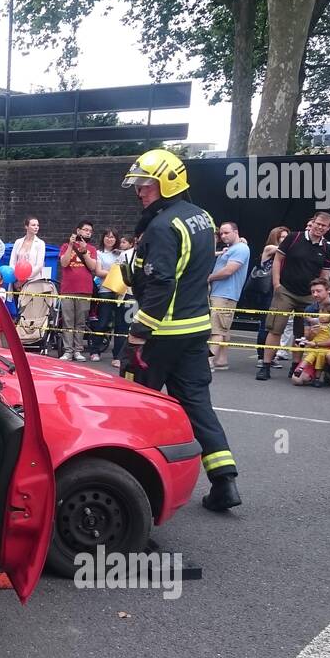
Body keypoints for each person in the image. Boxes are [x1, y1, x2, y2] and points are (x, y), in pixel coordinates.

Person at [117, 148, 240, 512]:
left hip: (161, 335)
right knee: (198, 406)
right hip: (195, 330)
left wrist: (138, 333)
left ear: (168, 184)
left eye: (146, 185)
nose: (140, 192)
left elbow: (161, 284)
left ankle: (131, 489)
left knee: (135, 407)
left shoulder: (162, 225)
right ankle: (224, 481)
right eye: (138, 185)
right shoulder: (201, 217)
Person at [257, 212, 330, 380]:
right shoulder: (294, 237)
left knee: (302, 333)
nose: (319, 227)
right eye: (318, 223)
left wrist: (319, 294)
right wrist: (276, 284)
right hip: (285, 291)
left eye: (324, 226)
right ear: (312, 222)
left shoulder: (327, 247)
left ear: (328, 228)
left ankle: (295, 366)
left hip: (309, 295)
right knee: (275, 329)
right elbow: (277, 260)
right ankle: (265, 366)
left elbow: (325, 274)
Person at [207, 221, 249, 370]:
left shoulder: (240, 249)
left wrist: (209, 277)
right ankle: (221, 360)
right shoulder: (233, 248)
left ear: (236, 232)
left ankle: (208, 362)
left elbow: (228, 271)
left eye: (226, 233)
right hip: (223, 294)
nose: (223, 236)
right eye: (221, 233)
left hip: (225, 294)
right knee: (223, 328)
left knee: (216, 329)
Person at [289, 279, 330, 387]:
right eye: (313, 292)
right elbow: (307, 336)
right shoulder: (310, 309)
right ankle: (320, 372)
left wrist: (317, 344)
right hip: (315, 348)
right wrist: (311, 333)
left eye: (318, 291)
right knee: (297, 380)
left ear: (329, 290)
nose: (315, 294)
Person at [245, 225, 289, 366]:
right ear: (275, 237)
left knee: (277, 327)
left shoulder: (285, 255)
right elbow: (284, 250)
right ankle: (261, 356)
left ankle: (271, 356)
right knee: (265, 324)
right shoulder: (270, 248)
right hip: (267, 291)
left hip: (280, 291)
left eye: (287, 237)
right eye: (282, 237)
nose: (285, 240)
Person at [58, 220, 98, 361]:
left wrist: (84, 251)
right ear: (78, 230)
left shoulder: (91, 249)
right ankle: (68, 350)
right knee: (68, 321)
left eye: (90, 231)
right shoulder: (65, 246)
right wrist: (70, 245)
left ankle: (78, 350)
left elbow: (93, 267)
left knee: (81, 322)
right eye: (85, 230)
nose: (88, 232)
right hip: (68, 289)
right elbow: (64, 263)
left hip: (85, 289)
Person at [87, 228, 121, 360]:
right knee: (103, 322)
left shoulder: (121, 253)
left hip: (120, 292)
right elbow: (99, 272)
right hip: (105, 290)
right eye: (107, 236)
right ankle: (95, 351)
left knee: (120, 324)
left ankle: (118, 355)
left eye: (112, 237)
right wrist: (117, 272)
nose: (110, 239)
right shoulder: (99, 253)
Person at [110, 235, 136, 367]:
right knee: (125, 326)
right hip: (129, 294)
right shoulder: (127, 254)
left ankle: (119, 356)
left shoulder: (125, 254)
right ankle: (121, 356)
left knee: (123, 326)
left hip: (126, 294)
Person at [9, 217, 46, 288]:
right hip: (17, 280)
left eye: (37, 225)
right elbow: (12, 261)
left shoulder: (40, 243)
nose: (36, 227)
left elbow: (39, 265)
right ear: (26, 226)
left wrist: (24, 279)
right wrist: (16, 277)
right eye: (33, 225)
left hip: (33, 281)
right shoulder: (18, 242)